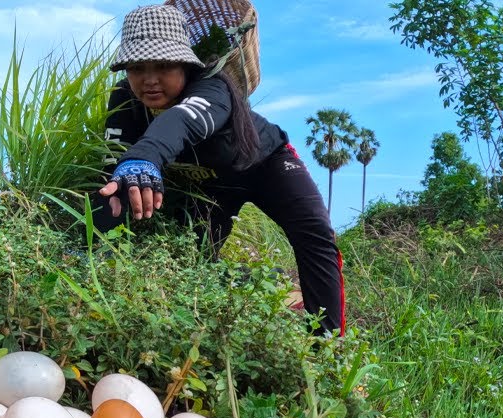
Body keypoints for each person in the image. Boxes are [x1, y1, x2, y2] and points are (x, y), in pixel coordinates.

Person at [93, 3, 346, 336]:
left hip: (268, 165)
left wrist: (145, 157)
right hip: (212, 185)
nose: (149, 80)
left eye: (164, 66)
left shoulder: (214, 88)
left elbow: (183, 121)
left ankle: (327, 343)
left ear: (185, 65)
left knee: (315, 236)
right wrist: (92, 246)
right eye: (137, 68)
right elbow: (112, 170)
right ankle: (266, 292)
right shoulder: (125, 98)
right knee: (191, 262)